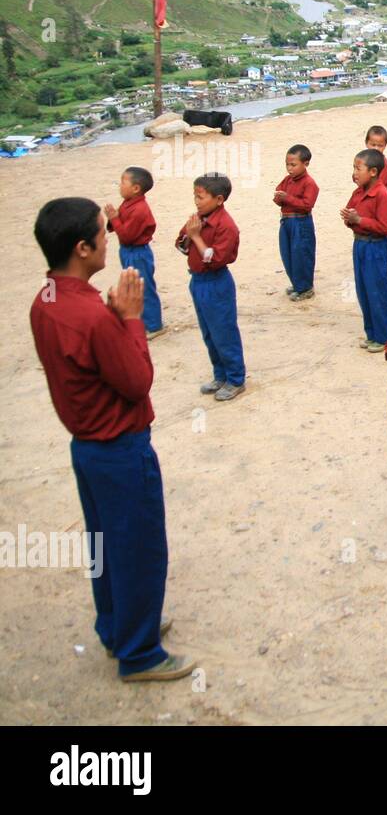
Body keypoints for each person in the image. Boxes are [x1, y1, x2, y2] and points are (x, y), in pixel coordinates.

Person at [30, 197, 196, 682]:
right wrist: (128, 319)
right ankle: (140, 654)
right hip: (120, 446)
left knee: (104, 544)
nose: (110, 238)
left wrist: (110, 317)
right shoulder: (95, 317)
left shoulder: (47, 301)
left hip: (85, 446)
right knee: (138, 548)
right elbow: (136, 380)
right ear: (83, 248)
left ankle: (117, 627)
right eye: (104, 232)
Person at [176, 172, 246, 401]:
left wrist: (196, 237)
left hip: (216, 282)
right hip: (197, 281)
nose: (196, 201)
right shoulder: (198, 218)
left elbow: (216, 258)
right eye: (195, 196)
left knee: (224, 332)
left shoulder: (226, 226)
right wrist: (189, 236)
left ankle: (235, 379)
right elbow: (180, 245)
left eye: (201, 197)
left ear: (219, 200)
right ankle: (220, 375)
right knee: (208, 332)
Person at [340, 148, 387, 352]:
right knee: (363, 289)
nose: (355, 173)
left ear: (373, 172)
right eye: (354, 168)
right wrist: (349, 218)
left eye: (358, 168)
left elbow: (386, 228)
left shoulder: (382, 195)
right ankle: (371, 333)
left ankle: (383, 336)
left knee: (377, 290)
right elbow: (352, 215)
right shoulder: (359, 192)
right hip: (360, 244)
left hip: (376, 246)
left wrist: (359, 220)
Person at [104, 166, 163, 335]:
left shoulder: (140, 209)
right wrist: (114, 217)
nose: (120, 185)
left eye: (123, 182)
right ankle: (140, 319)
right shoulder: (128, 203)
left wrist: (114, 218)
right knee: (132, 285)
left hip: (138, 252)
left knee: (143, 287)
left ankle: (154, 325)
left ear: (136, 188)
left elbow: (127, 236)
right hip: (128, 251)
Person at [273, 144, 318, 302]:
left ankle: (305, 288)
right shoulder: (287, 180)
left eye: (293, 165)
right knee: (288, 254)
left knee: (302, 254)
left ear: (305, 164)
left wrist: (287, 198)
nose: (289, 168)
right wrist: (279, 198)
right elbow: (278, 194)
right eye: (287, 164)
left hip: (301, 222)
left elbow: (307, 205)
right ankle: (297, 283)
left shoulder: (309, 183)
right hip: (286, 221)